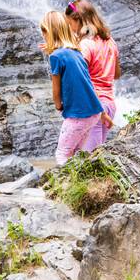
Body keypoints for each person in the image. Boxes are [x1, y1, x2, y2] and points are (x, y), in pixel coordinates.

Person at [39, 10, 104, 165]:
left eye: (44, 33)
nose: (43, 36)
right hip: (93, 112)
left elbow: (56, 89)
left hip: (78, 115)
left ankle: (63, 188)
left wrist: (58, 105)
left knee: (62, 153)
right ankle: (78, 183)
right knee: (75, 153)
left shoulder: (55, 57)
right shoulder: (76, 52)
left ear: (50, 32)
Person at [66, 0, 120, 148]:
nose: (71, 29)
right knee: (95, 157)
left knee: (88, 161)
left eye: (70, 24)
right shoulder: (110, 42)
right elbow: (116, 74)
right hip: (109, 104)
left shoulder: (85, 45)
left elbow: (82, 79)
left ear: (78, 20)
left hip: (93, 106)